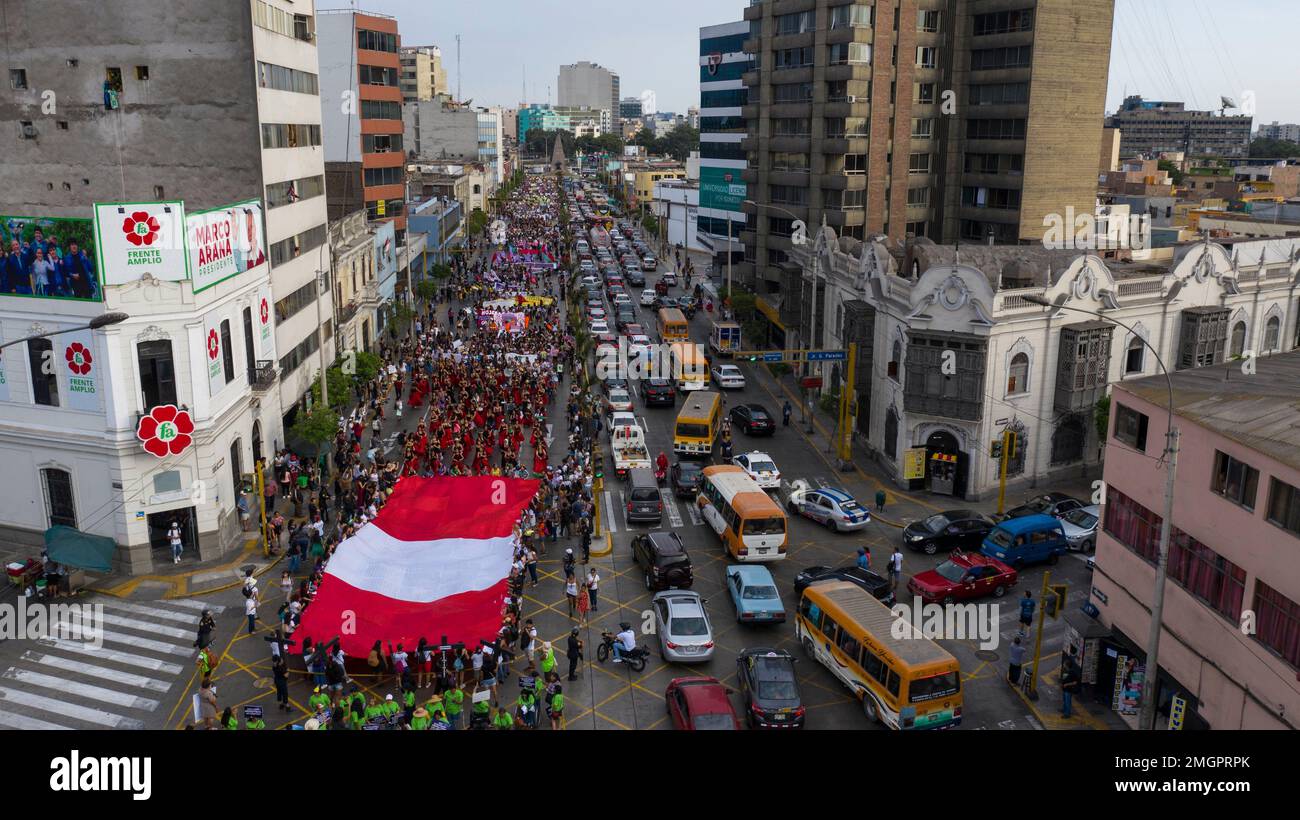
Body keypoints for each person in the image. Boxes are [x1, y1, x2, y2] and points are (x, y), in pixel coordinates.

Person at [1060, 645, 1081, 718]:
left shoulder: (1072, 672)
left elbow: (1075, 682)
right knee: (1065, 700)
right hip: (1064, 688)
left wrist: (1067, 684)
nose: (1063, 665)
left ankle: (1067, 714)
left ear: (1067, 665)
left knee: (1067, 701)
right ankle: (1064, 710)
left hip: (1068, 690)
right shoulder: (1065, 671)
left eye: (1064, 664)